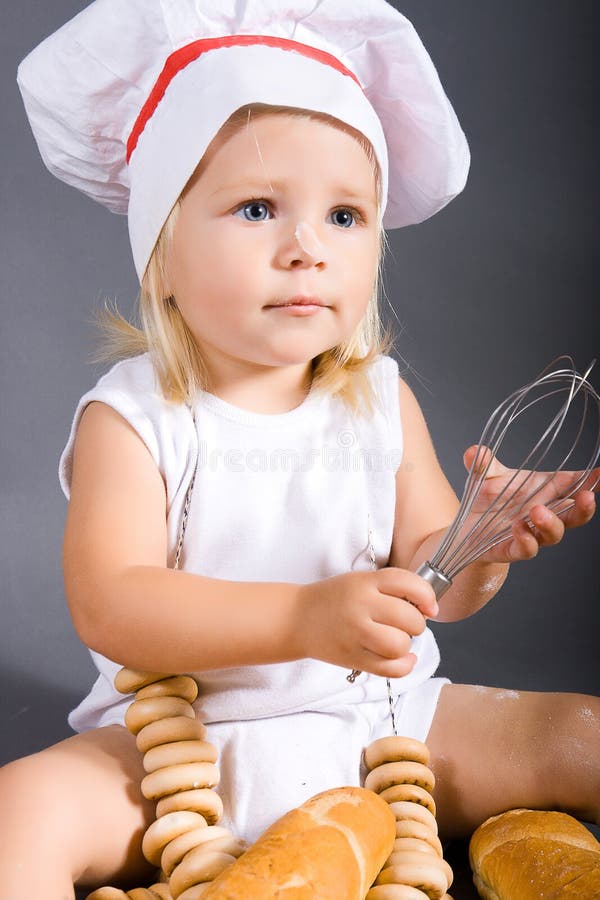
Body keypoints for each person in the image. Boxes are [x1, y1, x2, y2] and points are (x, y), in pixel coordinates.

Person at [5, 0, 598, 896]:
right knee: (21, 813)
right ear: (160, 254)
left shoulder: (378, 397)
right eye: (256, 208)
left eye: (346, 217)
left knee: (581, 736)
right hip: (179, 749)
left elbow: (433, 584)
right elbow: (112, 603)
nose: (306, 248)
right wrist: (301, 620)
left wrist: (483, 545)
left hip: (383, 724)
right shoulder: (132, 417)